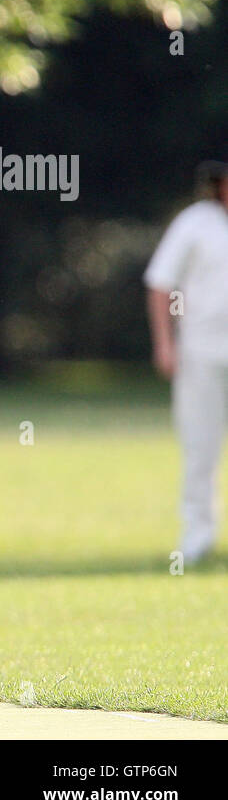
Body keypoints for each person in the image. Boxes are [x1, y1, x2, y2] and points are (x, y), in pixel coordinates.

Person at [144, 159, 228, 564]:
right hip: (202, 352)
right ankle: (197, 536)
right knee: (200, 445)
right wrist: (165, 343)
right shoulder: (196, 222)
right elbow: (162, 282)